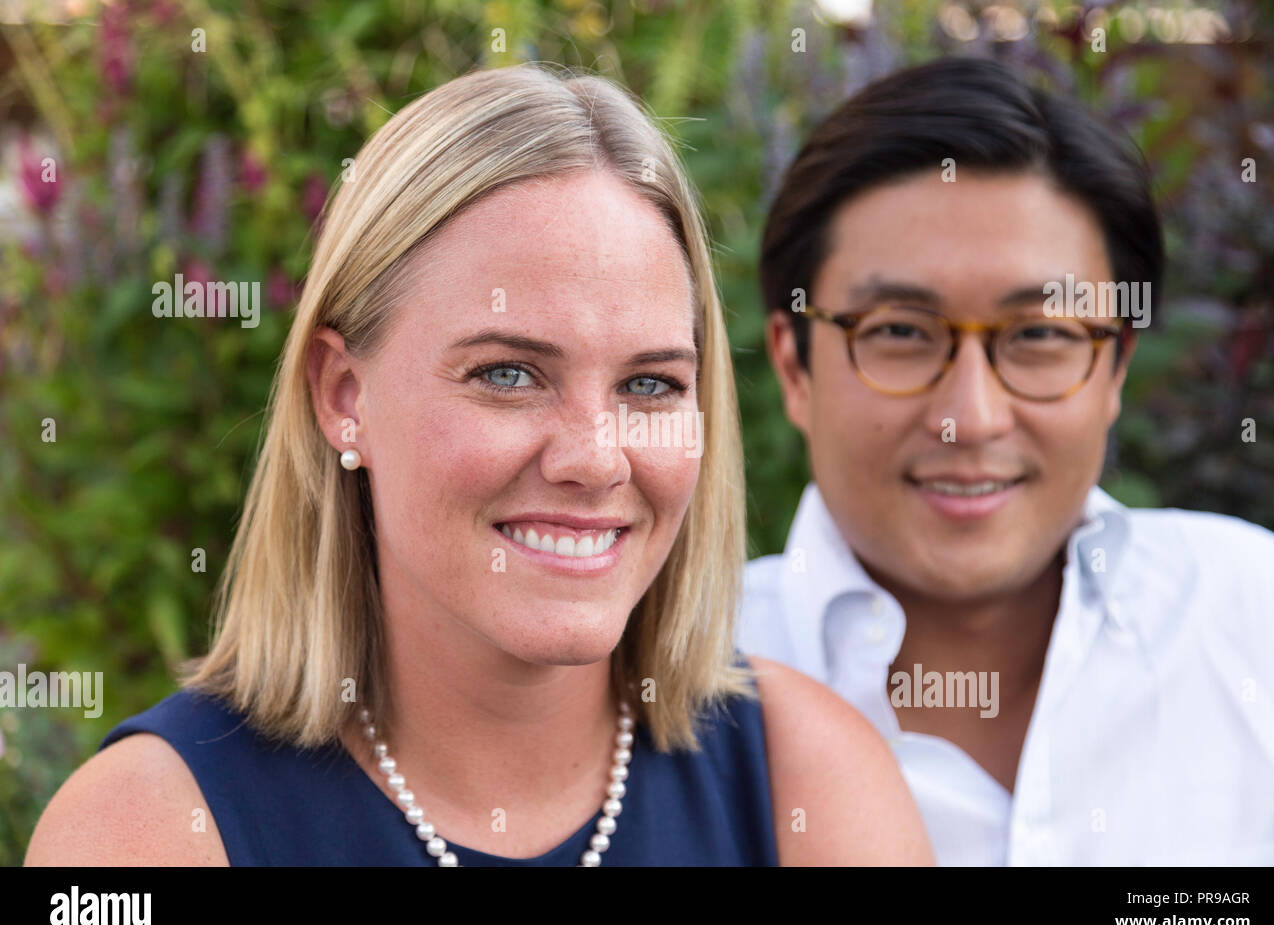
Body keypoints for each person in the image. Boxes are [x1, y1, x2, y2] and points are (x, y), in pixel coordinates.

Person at [25, 64, 931, 867]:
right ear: (345, 395)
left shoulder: (809, 789)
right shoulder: (147, 833)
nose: (593, 456)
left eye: (650, 384)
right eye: (508, 374)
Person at [738, 56, 1274, 866]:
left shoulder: (1265, 619)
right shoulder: (666, 689)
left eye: (1040, 335)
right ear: (794, 365)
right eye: (899, 331)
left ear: (1115, 368)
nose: (971, 419)